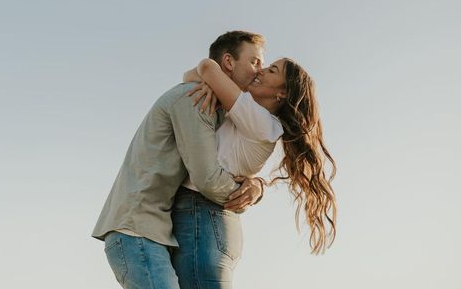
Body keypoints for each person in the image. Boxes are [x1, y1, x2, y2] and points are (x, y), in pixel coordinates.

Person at [92, 30, 265, 289]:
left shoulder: (210, 101)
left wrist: (258, 184)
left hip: (151, 233)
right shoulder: (195, 98)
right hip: (136, 232)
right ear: (229, 62)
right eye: (255, 61)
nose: (260, 70)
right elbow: (208, 179)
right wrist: (243, 197)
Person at [181, 53, 337, 256]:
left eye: (272, 70)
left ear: (282, 93)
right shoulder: (251, 117)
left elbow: (207, 68)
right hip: (207, 216)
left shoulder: (260, 121)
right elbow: (188, 78)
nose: (260, 70)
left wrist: (209, 75)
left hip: (201, 214)